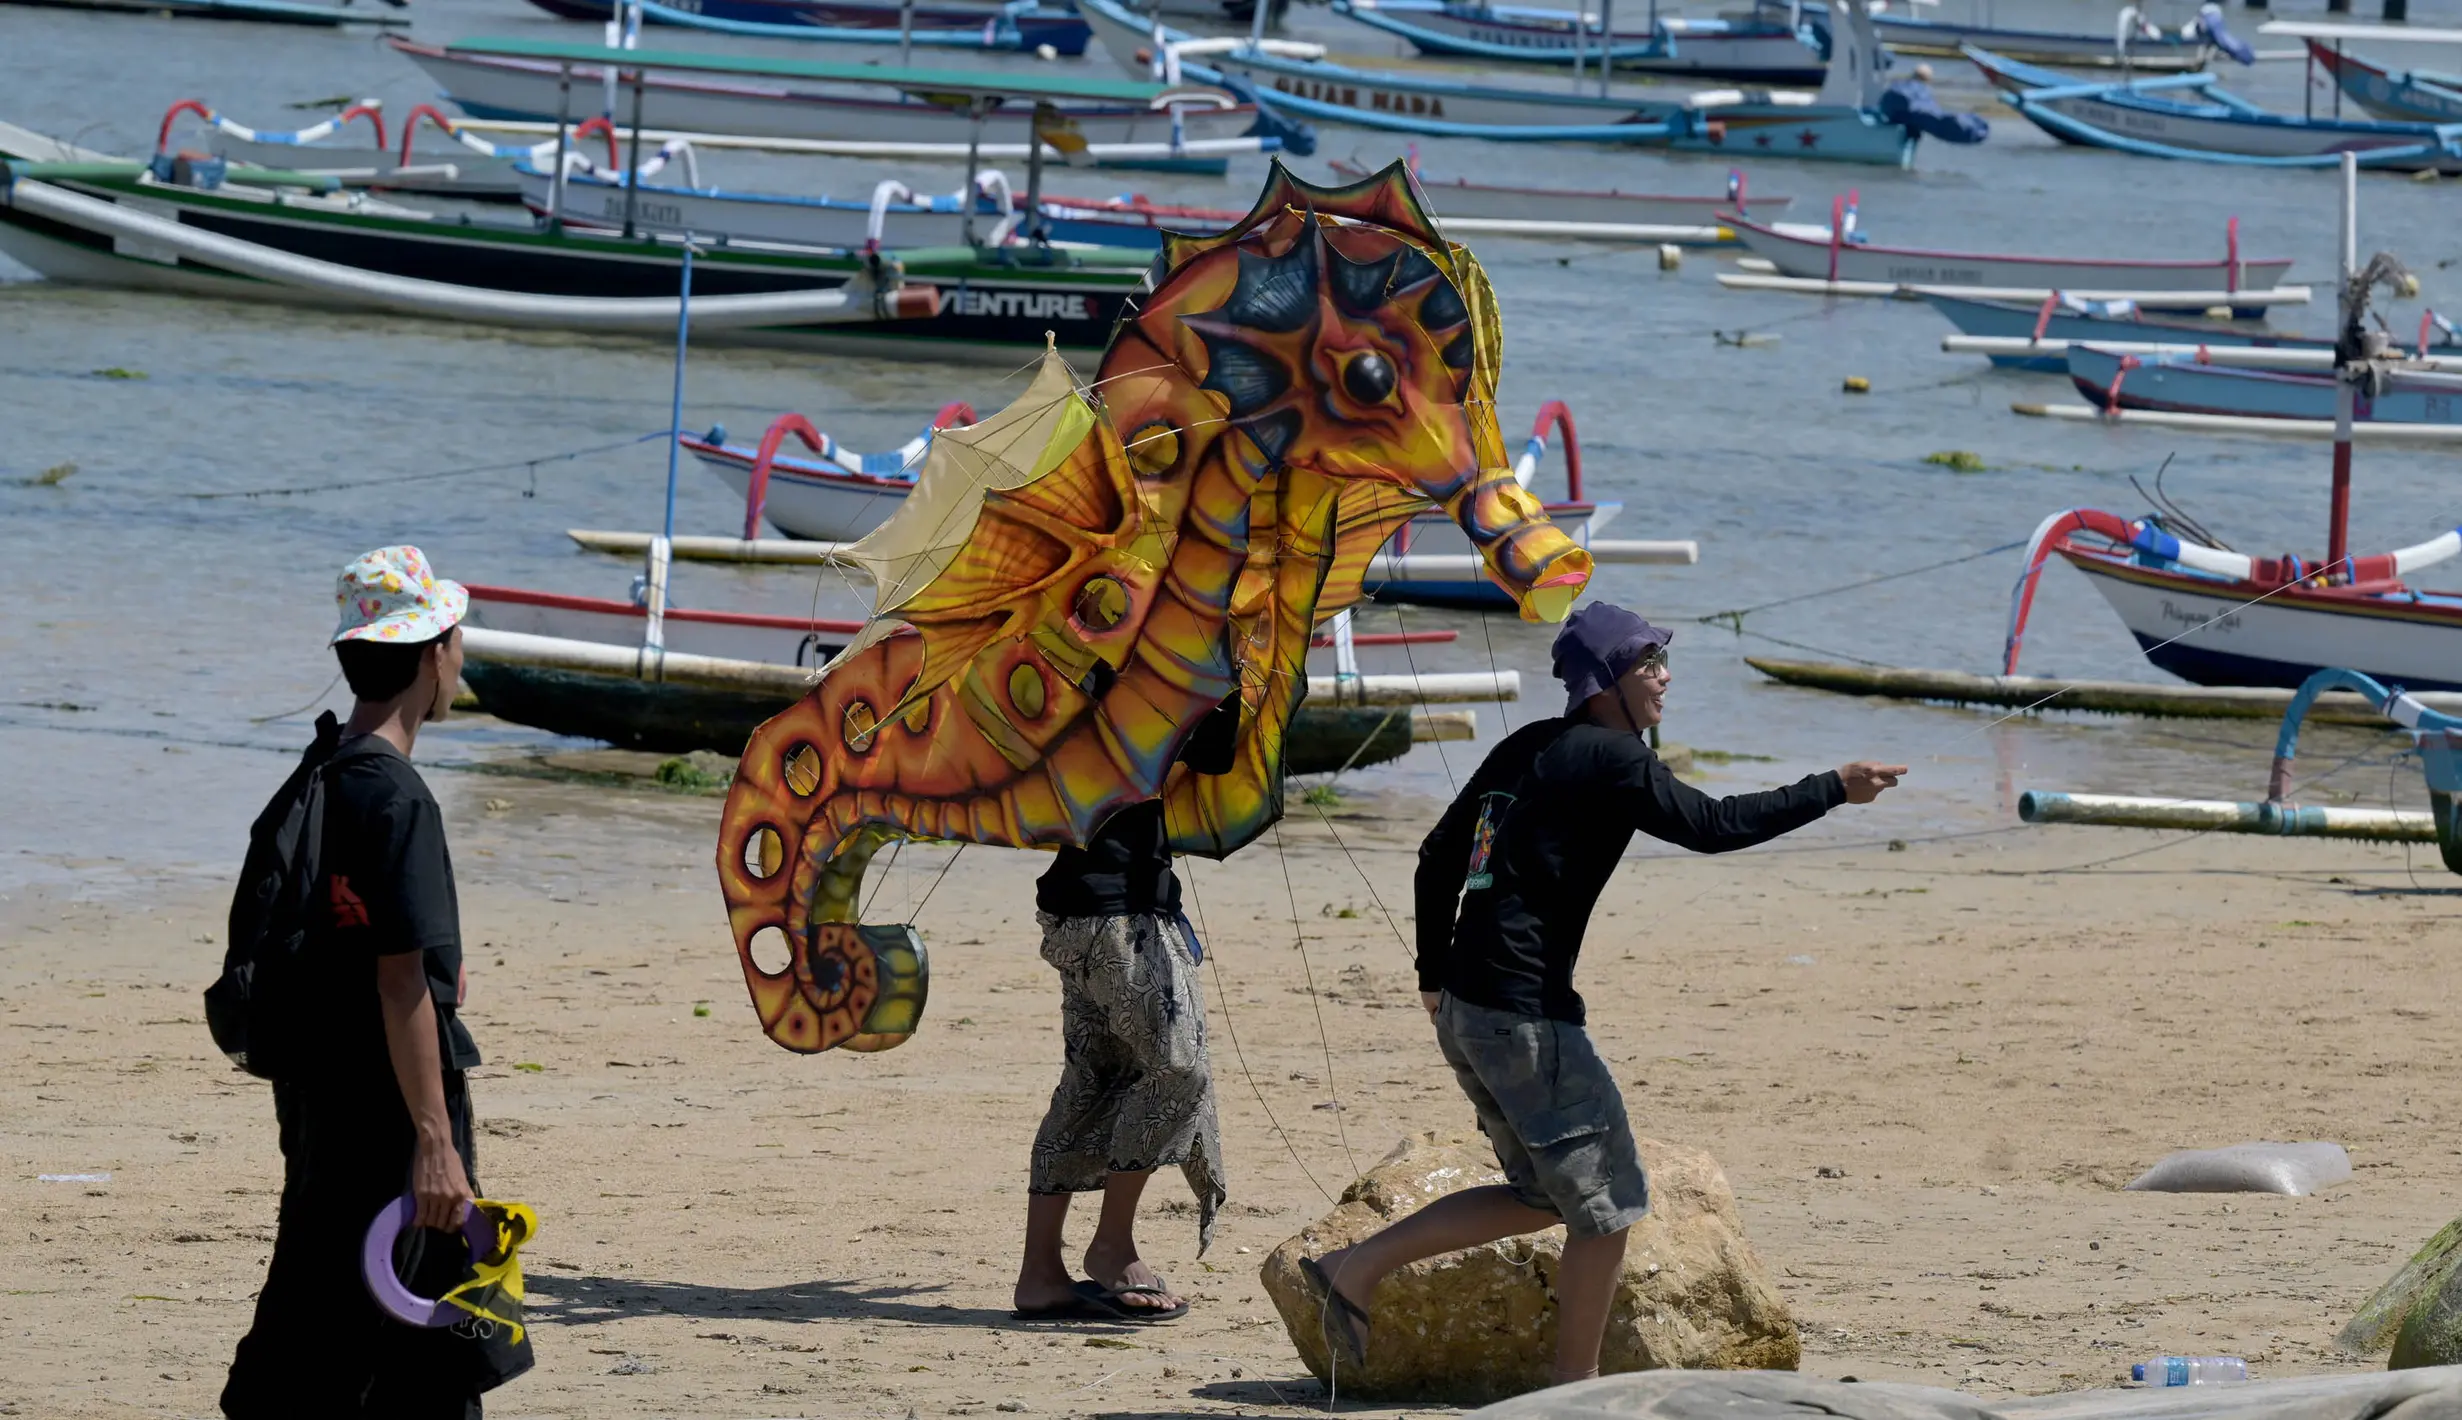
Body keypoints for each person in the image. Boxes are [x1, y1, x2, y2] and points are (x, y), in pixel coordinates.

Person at [1304, 602, 1905, 1388]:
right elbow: (1714, 824)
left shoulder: (1528, 746)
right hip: (1523, 1016)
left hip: (1470, 1007)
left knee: (1540, 1194)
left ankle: (1357, 1264)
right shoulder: (1615, 757)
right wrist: (1833, 786)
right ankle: (1575, 1390)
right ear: (1606, 682)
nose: (1664, 678)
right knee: (1610, 1205)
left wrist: (1431, 976)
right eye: (1647, 665)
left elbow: (1436, 856)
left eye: (1662, 662)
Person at [222, 546, 528, 1419]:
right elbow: (404, 985)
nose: (461, 657)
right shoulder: (397, 799)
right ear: (432, 653)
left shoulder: (320, 774)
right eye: (456, 639)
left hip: (322, 1098)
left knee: (325, 1316)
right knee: (421, 1345)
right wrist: (435, 1139)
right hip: (391, 1111)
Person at [1010, 696, 1240, 1324]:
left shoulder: (1092, 661)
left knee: (1093, 1081)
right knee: (1178, 1068)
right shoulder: (1121, 669)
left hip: (1090, 903)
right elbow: (1207, 750)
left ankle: (1040, 1275)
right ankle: (1112, 1245)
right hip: (1112, 912)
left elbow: (1208, 752)